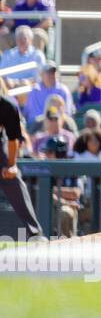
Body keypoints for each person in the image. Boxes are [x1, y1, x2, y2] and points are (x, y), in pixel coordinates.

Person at [0, 79, 43, 237]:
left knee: (13, 179)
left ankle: (35, 233)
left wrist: (11, 165)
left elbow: (13, 139)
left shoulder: (7, 106)